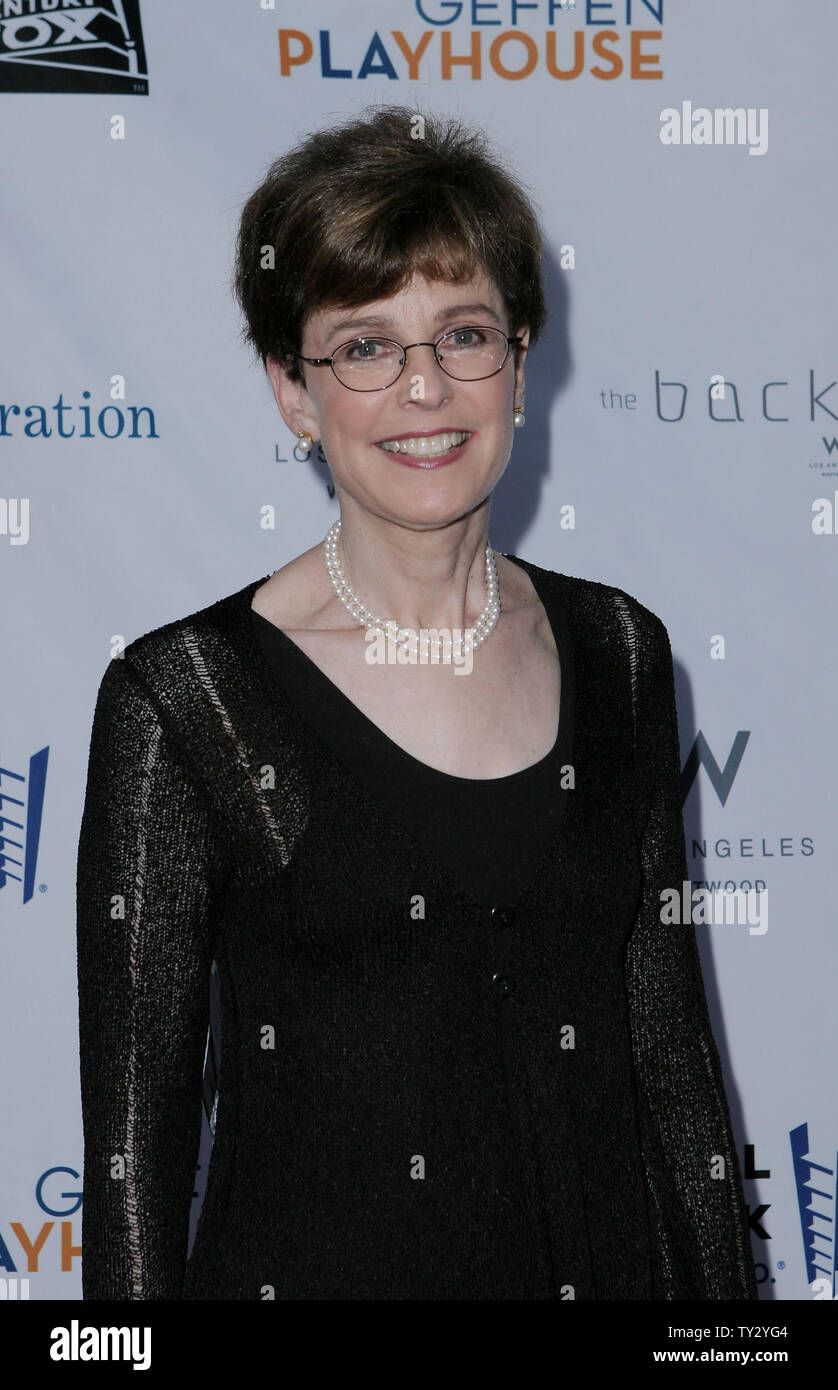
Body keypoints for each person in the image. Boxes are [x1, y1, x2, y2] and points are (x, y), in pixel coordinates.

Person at [75, 103, 758, 1301]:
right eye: (365, 347)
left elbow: (670, 1059)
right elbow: (136, 1150)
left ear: (521, 360)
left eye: (463, 334)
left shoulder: (621, 652)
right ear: (293, 391)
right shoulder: (190, 700)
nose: (425, 388)